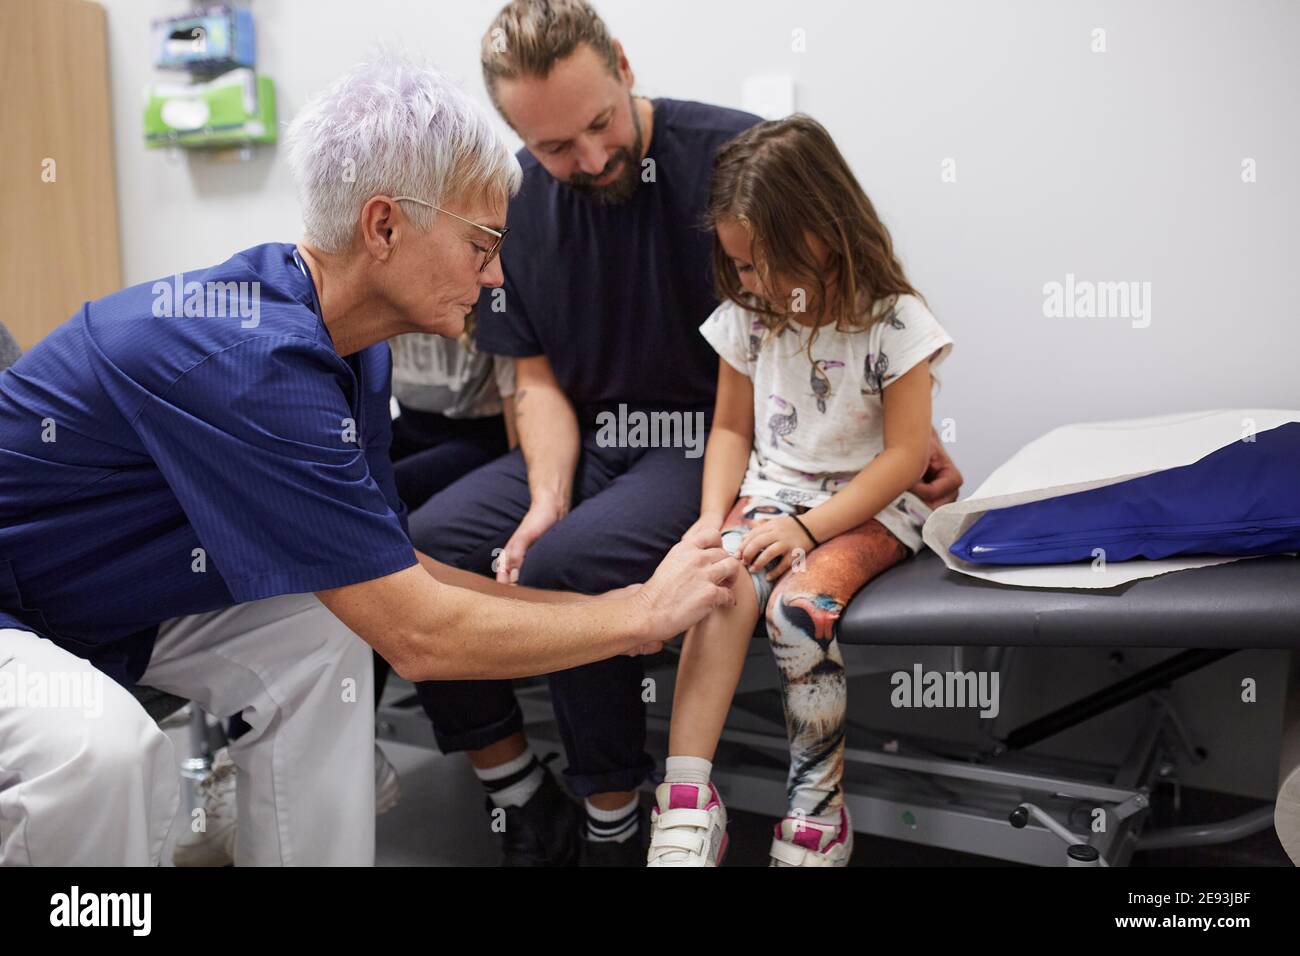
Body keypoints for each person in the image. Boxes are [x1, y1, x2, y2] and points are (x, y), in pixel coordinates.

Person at [0, 56, 737, 866]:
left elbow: (398, 575)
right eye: (482, 244)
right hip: (19, 610)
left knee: (325, 628)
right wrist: (639, 616)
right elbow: (421, 635)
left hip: (90, 604)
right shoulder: (245, 362)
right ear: (383, 226)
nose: (495, 277)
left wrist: (623, 606)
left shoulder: (348, 354)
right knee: (101, 755)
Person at [403, 0, 963, 866]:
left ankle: (613, 818)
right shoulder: (512, 204)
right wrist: (544, 496)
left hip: (702, 441)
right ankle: (517, 790)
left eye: (599, 123)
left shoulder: (729, 159)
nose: (590, 159)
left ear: (623, 64)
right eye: (556, 148)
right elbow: (537, 380)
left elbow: (858, 293)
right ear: (516, 132)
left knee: (568, 564)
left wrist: (901, 432)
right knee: (423, 544)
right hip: (586, 442)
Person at [646, 115, 955, 867]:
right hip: (774, 492)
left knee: (797, 610)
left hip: (872, 500)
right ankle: (686, 799)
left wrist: (810, 531)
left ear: (821, 230)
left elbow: (907, 454)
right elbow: (728, 431)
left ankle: (819, 811)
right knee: (718, 584)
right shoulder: (751, 320)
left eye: (758, 263)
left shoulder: (894, 323)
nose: (747, 281)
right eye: (738, 266)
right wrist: (711, 520)